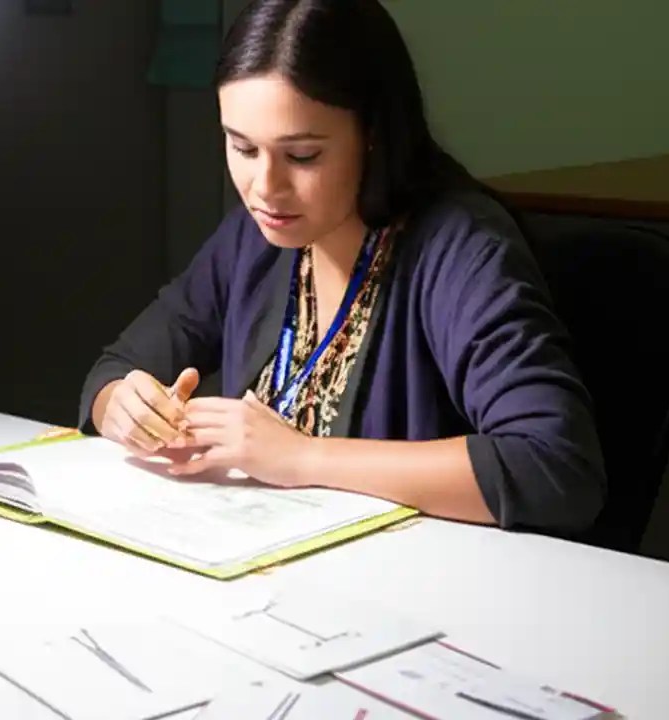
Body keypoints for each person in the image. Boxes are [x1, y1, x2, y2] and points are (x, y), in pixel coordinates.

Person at [77, 0, 606, 534]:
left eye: (302, 156)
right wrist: (123, 405)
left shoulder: (462, 249)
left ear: (373, 132)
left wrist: (303, 458)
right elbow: (116, 368)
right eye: (242, 147)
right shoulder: (256, 234)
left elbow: (554, 467)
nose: (265, 187)